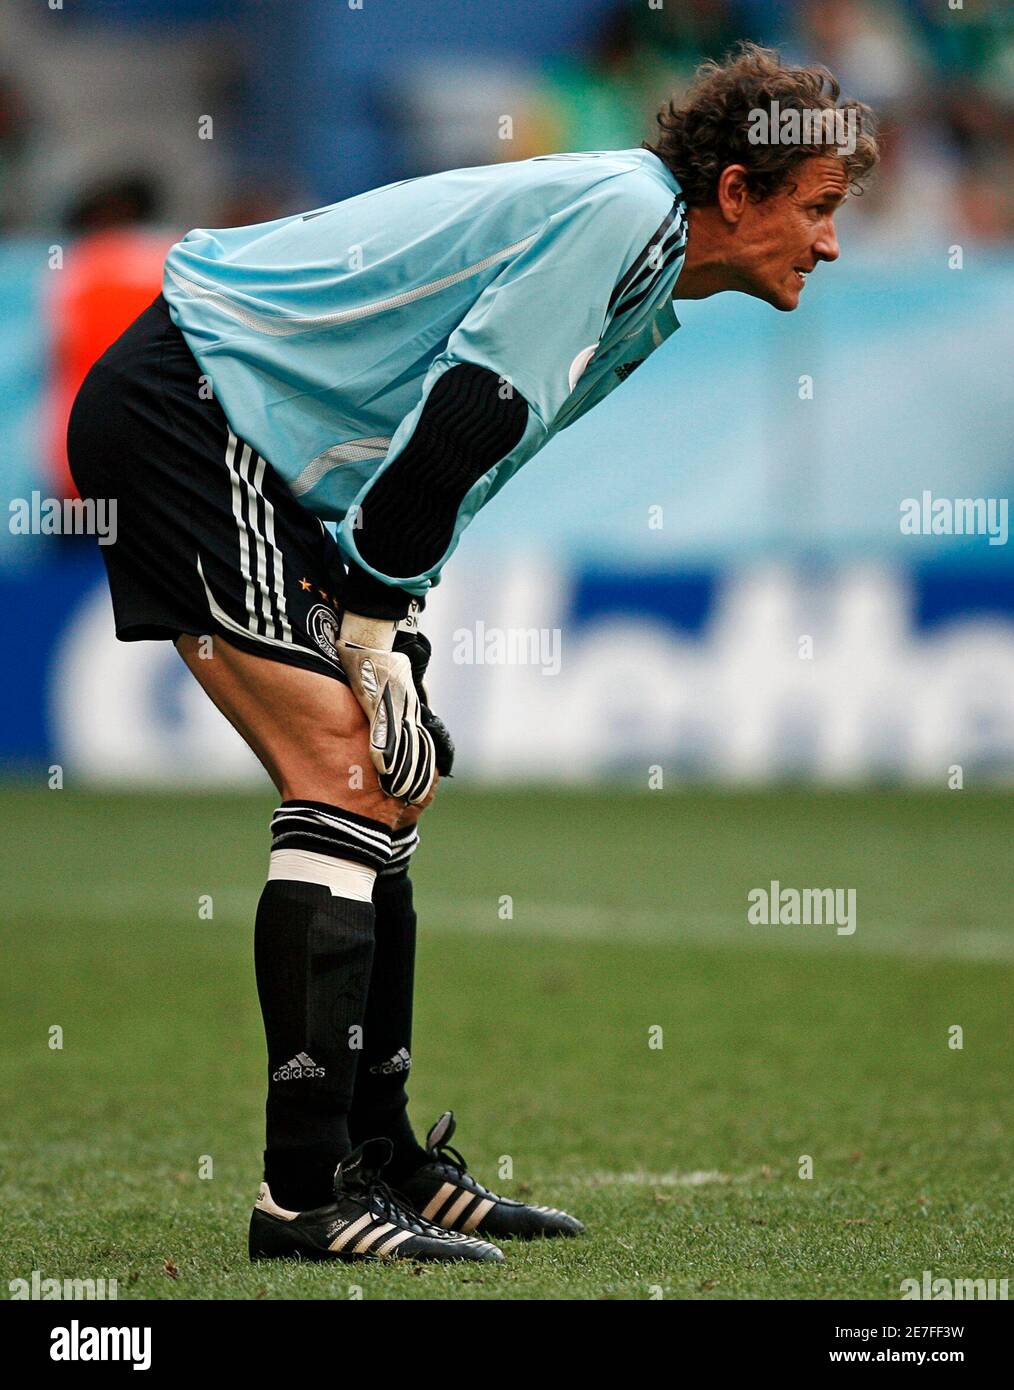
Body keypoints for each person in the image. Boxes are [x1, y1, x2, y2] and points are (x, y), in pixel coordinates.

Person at [67, 43, 877, 1267]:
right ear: (735, 194)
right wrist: (374, 626)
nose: (826, 243)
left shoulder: (646, 267)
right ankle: (302, 1199)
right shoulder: (624, 217)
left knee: (387, 774)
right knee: (344, 767)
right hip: (198, 403)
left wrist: (388, 617)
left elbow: (459, 451)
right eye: (817, 207)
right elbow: (468, 416)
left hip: (263, 446)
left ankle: (375, 1157)